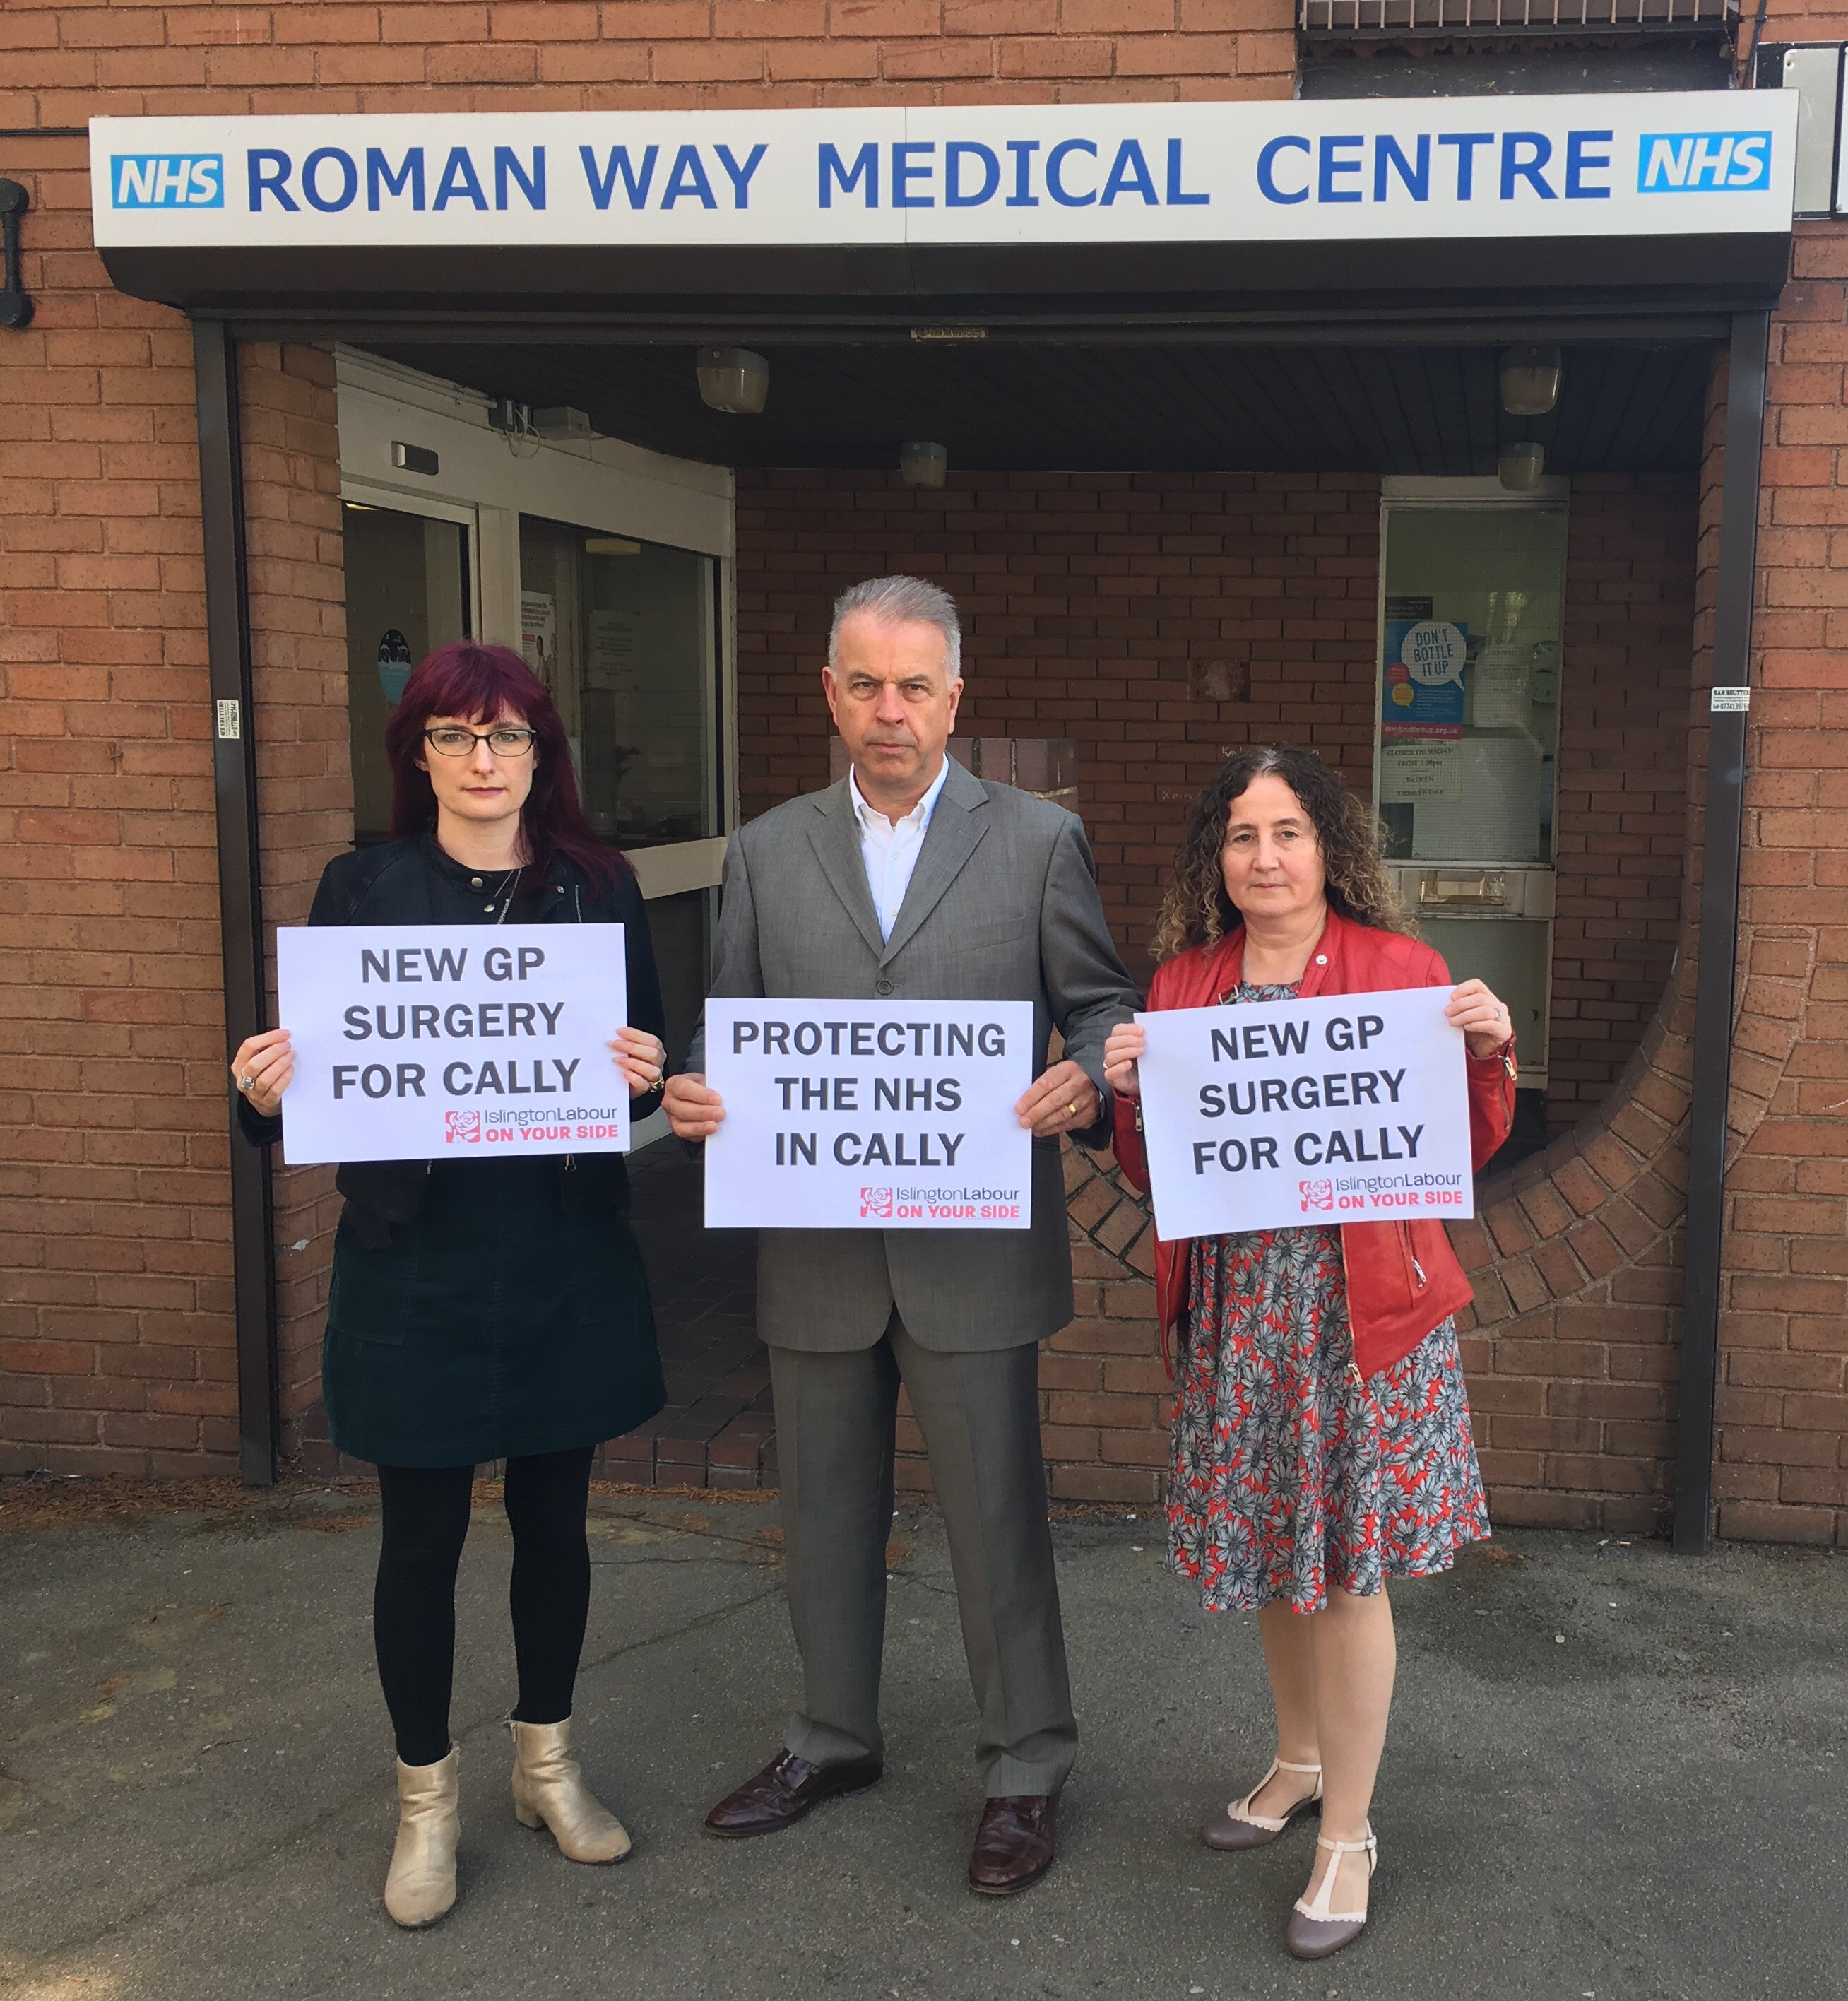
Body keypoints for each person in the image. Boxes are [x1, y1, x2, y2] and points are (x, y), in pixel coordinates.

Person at [665, 575, 1140, 1896]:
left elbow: (1103, 1006)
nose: (889, 711)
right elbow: (725, 1023)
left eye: (914, 686)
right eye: (864, 685)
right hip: (814, 1248)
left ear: (954, 700)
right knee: (820, 1513)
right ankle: (830, 1737)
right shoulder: (764, 849)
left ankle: (1028, 1764)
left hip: (973, 1250)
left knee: (997, 1521)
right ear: (830, 693)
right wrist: (700, 1089)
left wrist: (1091, 1077)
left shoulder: (1040, 840)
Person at [230, 642, 670, 1930]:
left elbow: (647, 1062)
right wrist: (258, 1094)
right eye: (457, 736)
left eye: (510, 738)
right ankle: (425, 1803)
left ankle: (548, 1767)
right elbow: (314, 1075)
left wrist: (649, 1068)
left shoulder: (600, 887)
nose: (485, 761)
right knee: (418, 1542)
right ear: (416, 752)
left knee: (557, 1525)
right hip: (413, 1259)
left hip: (559, 1255)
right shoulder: (363, 889)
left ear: (543, 758)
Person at [1103, 743, 1516, 1961]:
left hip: (1360, 1320)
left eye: (1287, 832)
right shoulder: (1184, 986)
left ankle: (1350, 1833)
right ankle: (1293, 1761)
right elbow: (1156, 1175)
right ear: (1215, 859)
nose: (1265, 857)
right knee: (1277, 1547)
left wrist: (1488, 1051)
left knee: (1344, 1570)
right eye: (1242, 836)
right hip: (1242, 1315)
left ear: (1329, 848)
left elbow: (1463, 1149)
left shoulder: (1402, 972)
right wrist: (1130, 1095)